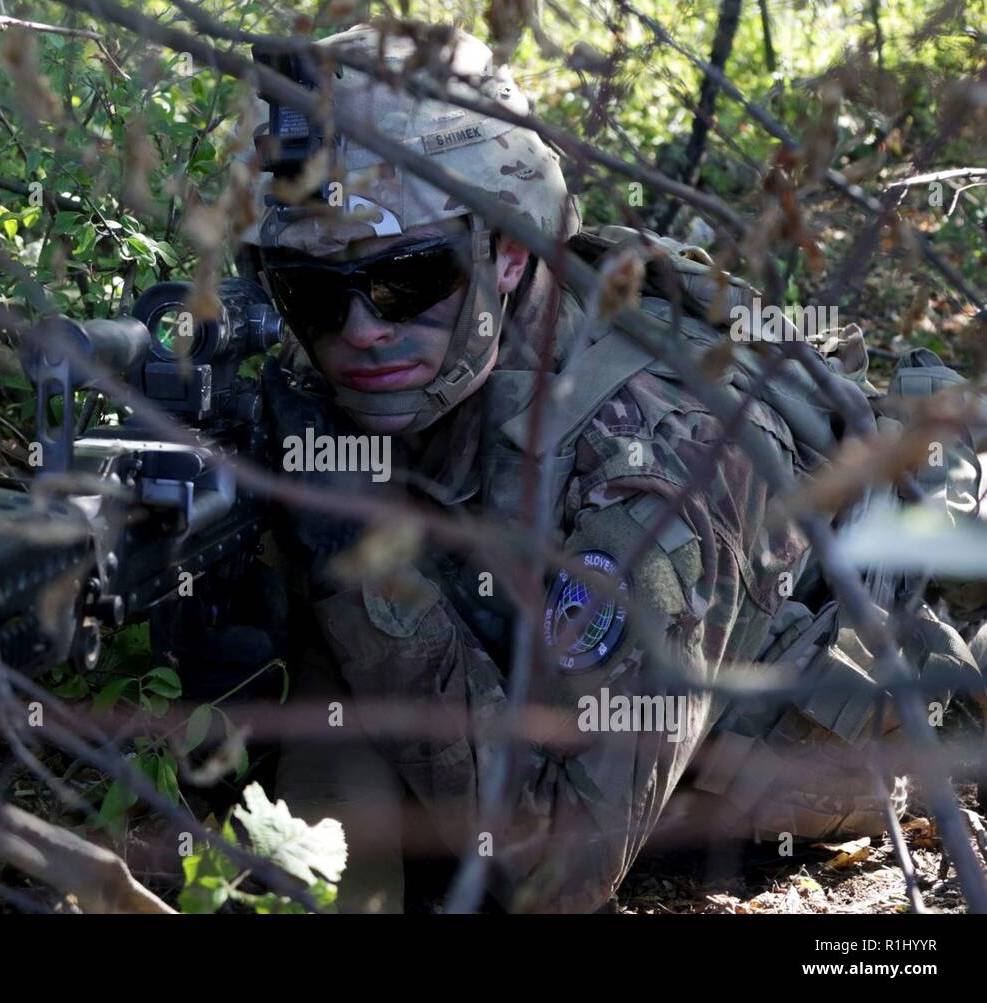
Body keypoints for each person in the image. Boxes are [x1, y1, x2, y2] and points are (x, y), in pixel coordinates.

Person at [232, 24, 983, 912]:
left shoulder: (652, 469)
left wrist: (365, 567)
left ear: (509, 251)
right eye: (311, 292)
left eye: (410, 279)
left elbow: (558, 870)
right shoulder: (405, 363)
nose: (359, 330)